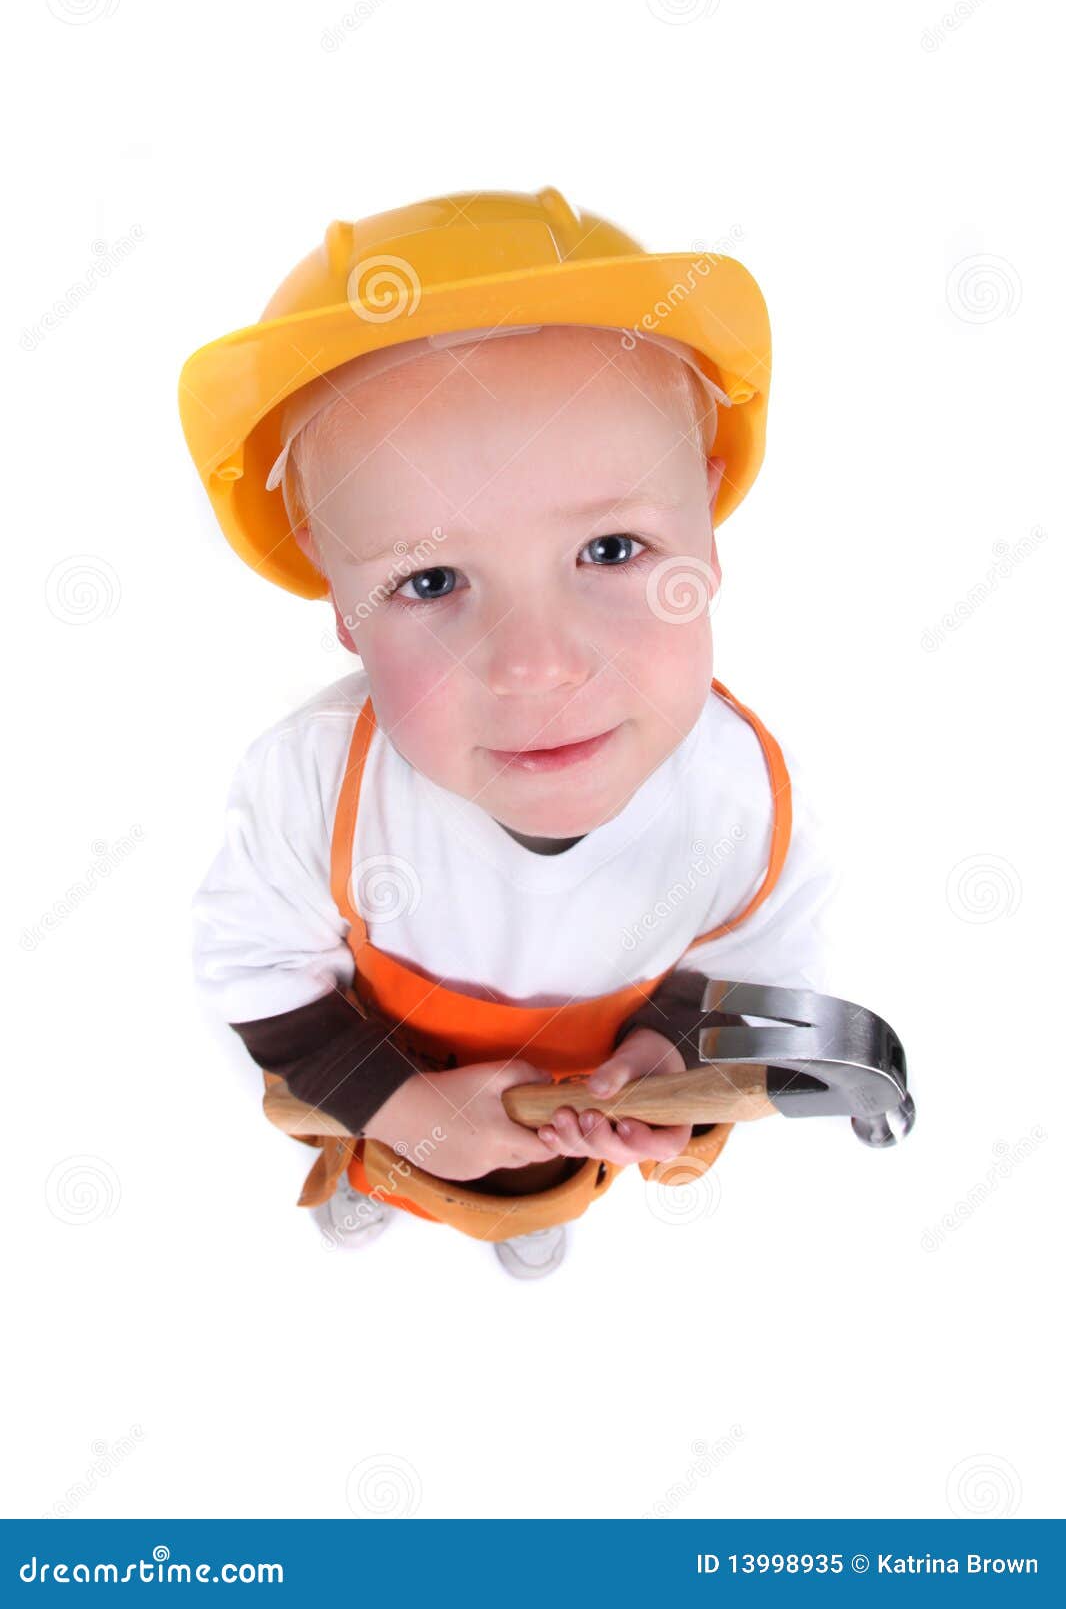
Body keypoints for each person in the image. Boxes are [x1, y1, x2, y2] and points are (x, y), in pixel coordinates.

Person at [182, 188, 838, 1280]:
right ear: (340, 603)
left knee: (531, 1176)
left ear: (708, 526)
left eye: (612, 550)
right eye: (430, 580)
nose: (536, 664)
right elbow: (254, 974)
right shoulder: (316, 784)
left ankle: (530, 1204)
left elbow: (749, 958)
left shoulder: (740, 799)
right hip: (381, 1069)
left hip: (578, 1091)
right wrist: (409, 1115)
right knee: (403, 1154)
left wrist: (659, 1061)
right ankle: (376, 1172)